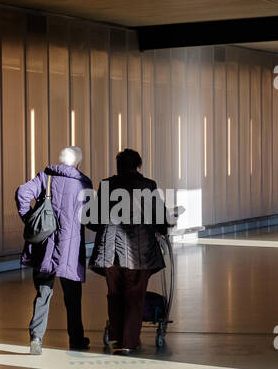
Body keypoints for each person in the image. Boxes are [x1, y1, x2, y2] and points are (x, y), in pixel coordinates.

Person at [90, 148, 168, 353]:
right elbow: (160, 218)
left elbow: (93, 218)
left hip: (109, 252)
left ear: (118, 167)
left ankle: (116, 339)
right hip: (139, 253)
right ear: (138, 166)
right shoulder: (147, 185)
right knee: (134, 296)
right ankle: (129, 343)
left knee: (115, 295)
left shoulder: (106, 185)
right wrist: (162, 229)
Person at [16, 146, 93, 354]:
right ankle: (76, 339)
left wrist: (29, 219)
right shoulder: (83, 184)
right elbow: (90, 218)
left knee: (43, 293)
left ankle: (36, 339)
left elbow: (22, 192)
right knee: (73, 297)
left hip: (45, 247)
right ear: (77, 163)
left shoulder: (46, 177)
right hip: (71, 249)